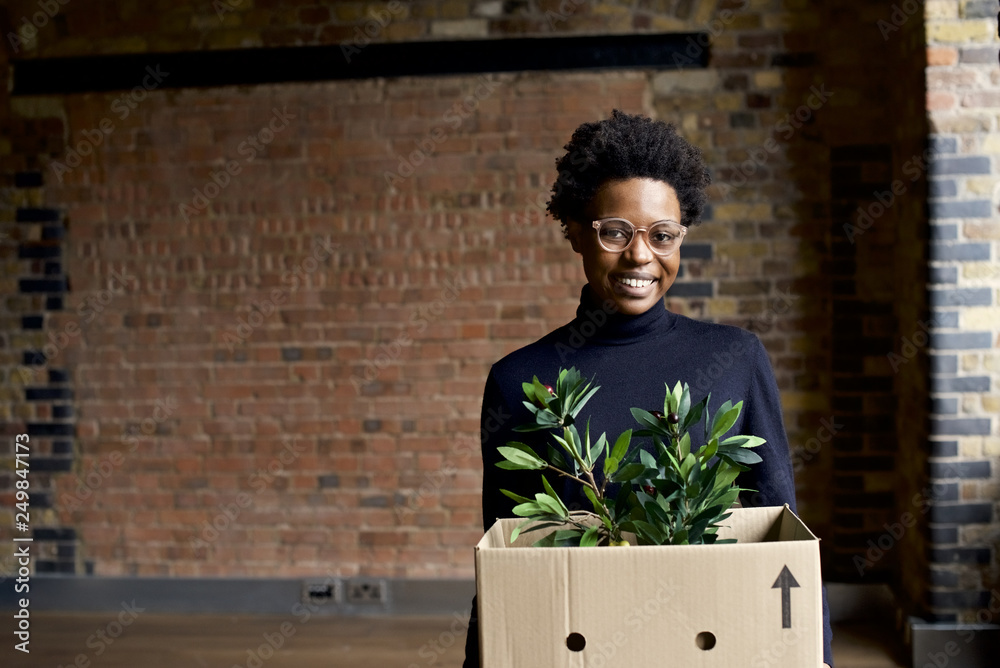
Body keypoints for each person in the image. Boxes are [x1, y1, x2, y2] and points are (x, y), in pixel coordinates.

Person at [462, 110, 833, 667]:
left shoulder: (734, 358)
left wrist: (815, 656)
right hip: (579, 647)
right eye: (616, 231)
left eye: (663, 236)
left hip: (711, 642)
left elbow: (781, 541)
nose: (640, 255)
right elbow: (508, 558)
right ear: (574, 230)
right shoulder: (520, 380)